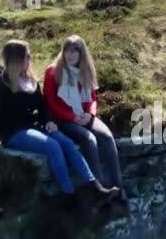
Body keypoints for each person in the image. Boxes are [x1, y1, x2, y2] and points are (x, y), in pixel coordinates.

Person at [0, 39, 119, 209]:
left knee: (67, 143)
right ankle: (69, 195)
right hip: (13, 133)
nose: (30, 59)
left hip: (34, 127)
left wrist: (49, 121)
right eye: (27, 56)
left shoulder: (29, 80)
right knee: (52, 146)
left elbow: (42, 107)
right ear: (16, 59)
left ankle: (95, 189)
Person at [43, 35, 125, 202]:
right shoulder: (52, 71)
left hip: (84, 115)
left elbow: (92, 97)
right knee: (89, 139)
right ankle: (101, 190)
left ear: (82, 54)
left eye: (74, 51)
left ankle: (119, 187)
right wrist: (72, 117)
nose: (70, 55)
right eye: (67, 50)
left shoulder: (85, 70)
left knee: (108, 137)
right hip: (63, 119)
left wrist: (90, 113)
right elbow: (50, 101)